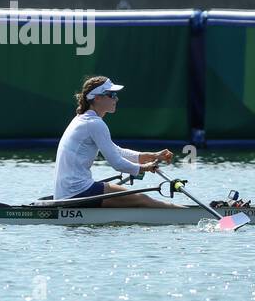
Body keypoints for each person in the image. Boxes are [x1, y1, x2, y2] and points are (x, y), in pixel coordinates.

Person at [52, 76, 180, 208]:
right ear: (97, 98)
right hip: (77, 192)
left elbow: (116, 151)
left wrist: (153, 156)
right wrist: (145, 168)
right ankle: (188, 217)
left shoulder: (82, 119)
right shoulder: (95, 123)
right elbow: (117, 164)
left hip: (66, 192)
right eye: (111, 94)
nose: (116, 98)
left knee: (135, 201)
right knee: (142, 200)